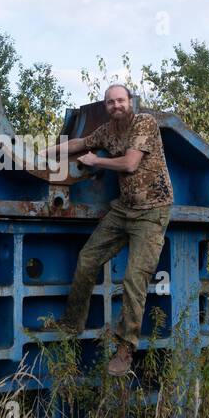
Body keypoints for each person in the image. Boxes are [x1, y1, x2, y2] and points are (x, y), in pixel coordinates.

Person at [37, 84, 174, 375]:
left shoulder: (143, 123)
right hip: (123, 210)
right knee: (88, 259)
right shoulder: (108, 131)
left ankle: (126, 349)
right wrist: (44, 152)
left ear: (130, 102)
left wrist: (96, 160)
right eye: (110, 102)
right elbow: (80, 143)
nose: (116, 106)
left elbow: (130, 163)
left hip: (151, 213)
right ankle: (73, 323)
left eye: (120, 100)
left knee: (134, 280)